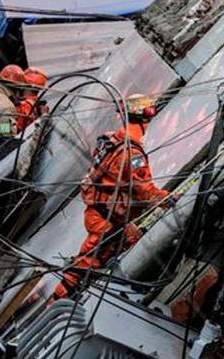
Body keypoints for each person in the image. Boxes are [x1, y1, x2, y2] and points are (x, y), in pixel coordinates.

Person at [53, 94, 173, 301]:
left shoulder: (110, 139)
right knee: (85, 266)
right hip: (107, 222)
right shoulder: (132, 154)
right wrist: (170, 198)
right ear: (148, 115)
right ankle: (57, 304)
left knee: (132, 238)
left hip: (98, 213)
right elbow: (145, 191)